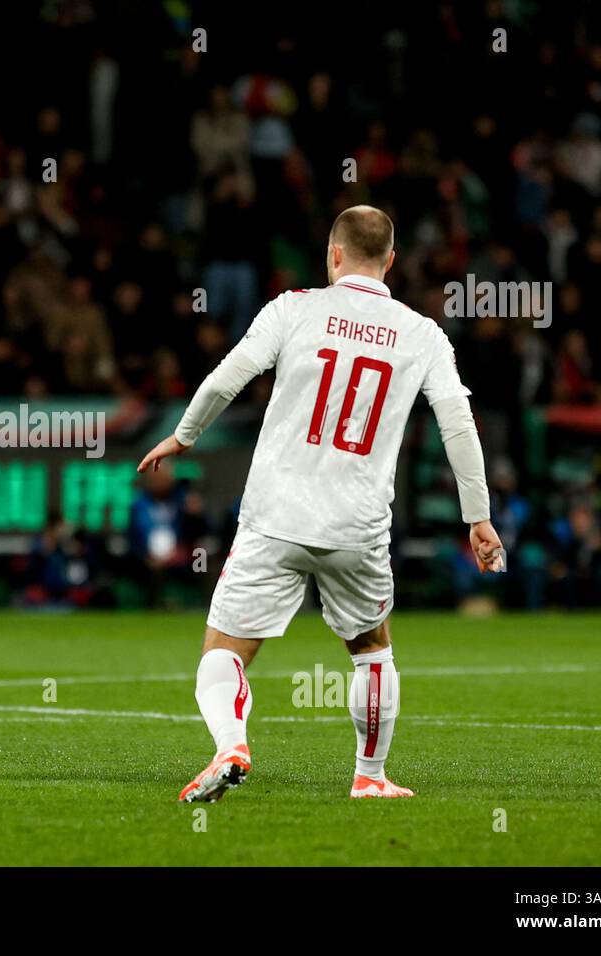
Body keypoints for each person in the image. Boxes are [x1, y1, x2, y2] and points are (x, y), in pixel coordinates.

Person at [138, 206, 504, 802]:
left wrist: (184, 436)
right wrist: (478, 517)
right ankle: (371, 776)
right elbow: (458, 425)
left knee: (224, 651)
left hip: (275, 515)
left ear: (333, 255)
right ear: (390, 261)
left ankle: (231, 743)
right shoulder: (423, 333)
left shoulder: (293, 308)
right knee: (371, 650)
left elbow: (227, 378)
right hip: (356, 525)